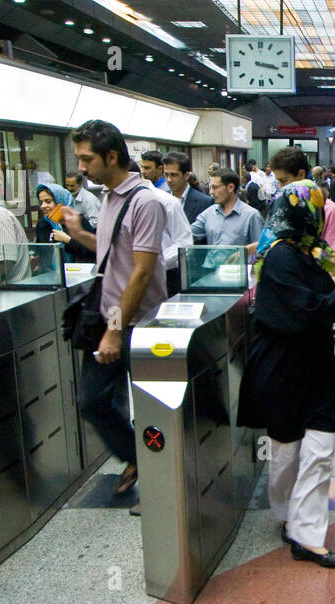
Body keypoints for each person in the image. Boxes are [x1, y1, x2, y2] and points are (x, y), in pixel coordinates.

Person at [237, 163, 335, 567]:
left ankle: (307, 533)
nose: (321, 213)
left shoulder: (308, 252)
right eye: (316, 207)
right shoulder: (278, 257)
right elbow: (308, 311)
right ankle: (287, 515)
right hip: (282, 368)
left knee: (321, 447)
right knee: (287, 452)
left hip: (315, 364)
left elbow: (317, 299)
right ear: (300, 212)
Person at [61, 119, 169, 501]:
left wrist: (115, 330)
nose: (81, 167)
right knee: (91, 400)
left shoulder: (145, 202)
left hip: (136, 325)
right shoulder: (109, 198)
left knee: (153, 410)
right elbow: (111, 253)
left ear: (112, 156)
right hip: (109, 318)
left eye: (87, 159)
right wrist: (79, 234)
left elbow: (141, 272)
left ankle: (161, 491)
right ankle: (137, 455)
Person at [192, 169, 264, 256]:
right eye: (210, 187)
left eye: (215, 187)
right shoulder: (208, 214)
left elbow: (260, 248)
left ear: (230, 187)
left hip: (237, 268)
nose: (211, 192)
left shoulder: (251, 216)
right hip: (211, 268)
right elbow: (188, 235)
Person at [36, 182, 95, 262]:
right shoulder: (43, 224)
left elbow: (91, 251)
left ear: (60, 201)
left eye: (48, 201)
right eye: (41, 202)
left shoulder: (77, 220)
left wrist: (68, 240)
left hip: (78, 271)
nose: (43, 206)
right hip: (52, 273)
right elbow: (42, 252)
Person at [162, 152, 213, 224]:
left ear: (186, 176)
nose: (169, 180)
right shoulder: (162, 199)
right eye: (166, 175)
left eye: (174, 175)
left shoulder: (205, 202)